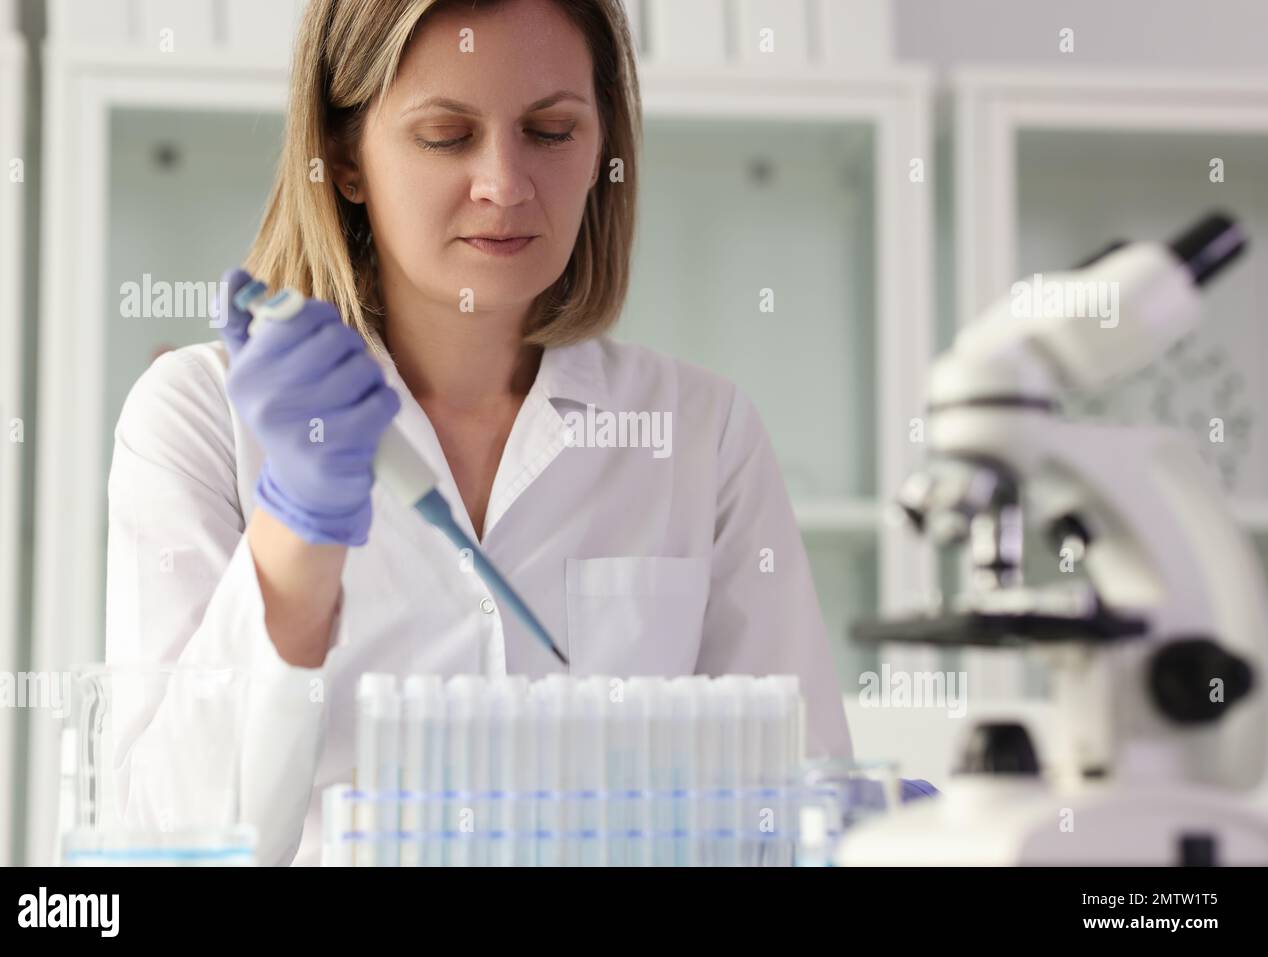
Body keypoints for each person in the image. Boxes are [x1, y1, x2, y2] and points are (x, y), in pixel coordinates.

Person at [106, 0, 855, 866]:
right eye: (446, 136)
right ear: (345, 157)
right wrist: (294, 532)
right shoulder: (200, 418)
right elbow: (161, 851)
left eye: (550, 131)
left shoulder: (702, 433)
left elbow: (799, 807)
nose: (504, 183)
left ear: (602, 148)